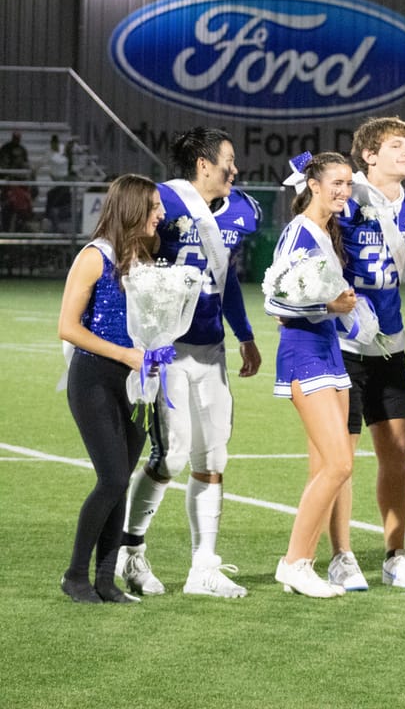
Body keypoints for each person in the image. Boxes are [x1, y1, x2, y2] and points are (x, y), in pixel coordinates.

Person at [115, 128, 261, 598]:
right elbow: (129, 265)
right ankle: (130, 551)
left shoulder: (241, 210)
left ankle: (204, 567)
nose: (234, 171)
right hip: (169, 351)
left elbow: (229, 278)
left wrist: (246, 335)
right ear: (203, 164)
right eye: (228, 161)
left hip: (211, 349)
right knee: (171, 455)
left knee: (213, 456)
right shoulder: (162, 202)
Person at [326, 117, 405, 591]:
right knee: (340, 458)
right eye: (395, 145)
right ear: (369, 155)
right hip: (344, 343)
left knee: (396, 451)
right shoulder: (346, 196)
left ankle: (396, 553)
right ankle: (341, 556)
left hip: (391, 342)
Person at [58, 174, 164, 603]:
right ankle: (75, 575)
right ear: (132, 209)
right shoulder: (94, 256)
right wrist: (125, 356)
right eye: (154, 207)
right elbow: (67, 328)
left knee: (121, 481)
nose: (160, 214)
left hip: (138, 382)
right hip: (95, 378)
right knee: (112, 477)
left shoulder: (145, 260)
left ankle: (106, 579)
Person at [266, 152, 358, 598]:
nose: (343, 191)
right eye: (336, 183)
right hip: (304, 352)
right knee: (340, 462)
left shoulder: (325, 231)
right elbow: (274, 304)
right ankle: (294, 563)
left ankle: (304, 563)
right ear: (314, 185)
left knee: (326, 465)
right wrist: (330, 307)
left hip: (329, 350)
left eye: (348, 183)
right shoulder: (298, 232)